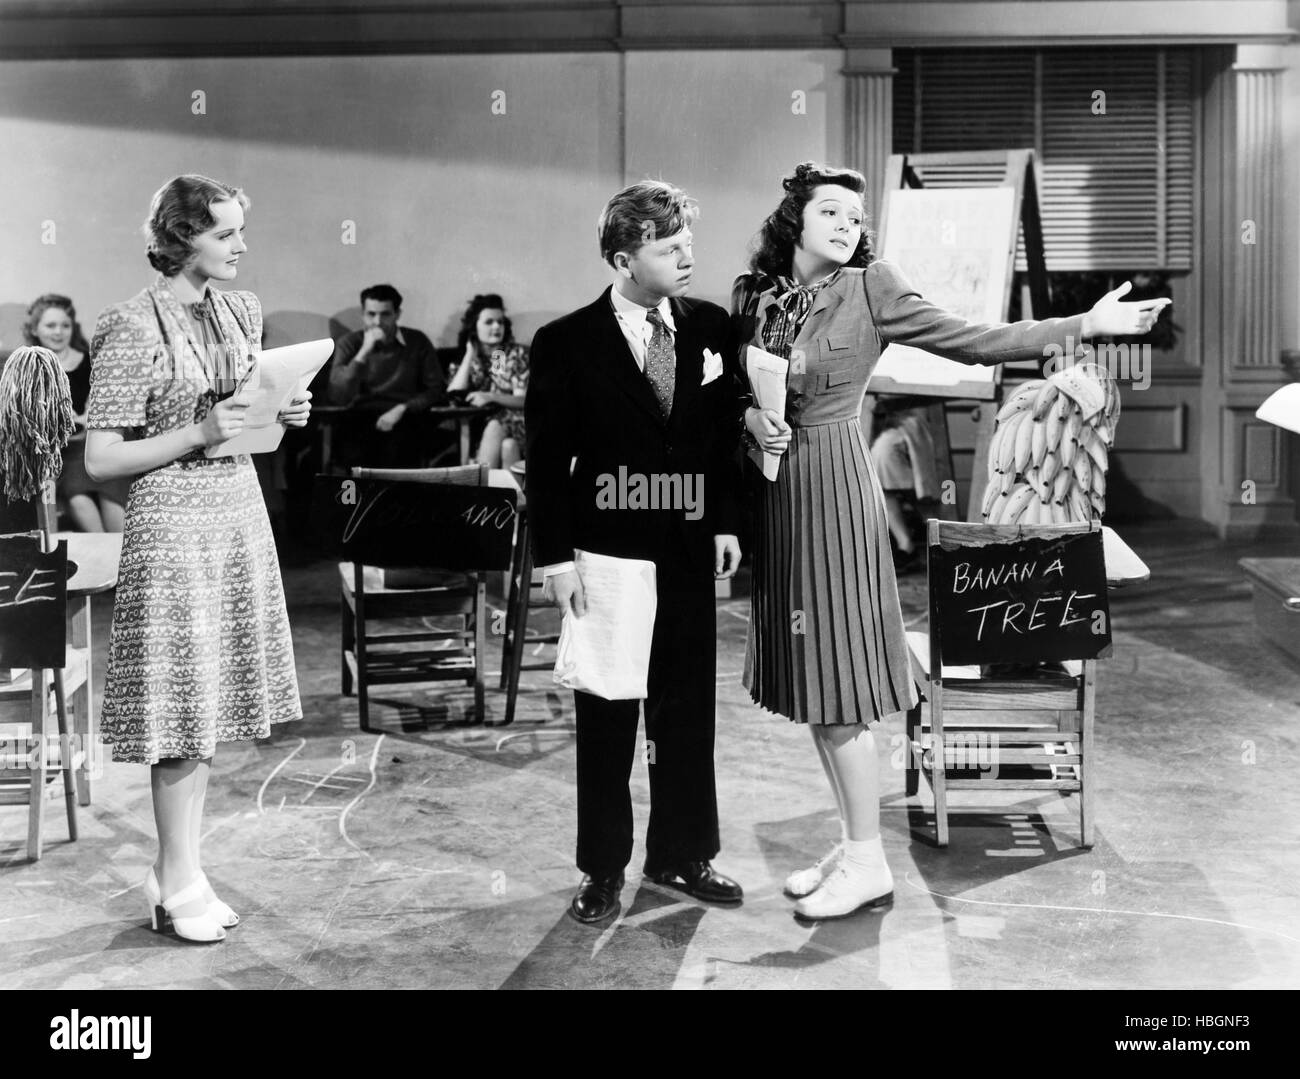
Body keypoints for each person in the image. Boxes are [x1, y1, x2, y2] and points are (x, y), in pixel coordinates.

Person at [734, 162, 1170, 920]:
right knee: (811, 681)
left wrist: (1083, 326)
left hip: (835, 484)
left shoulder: (872, 287)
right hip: (779, 493)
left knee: (839, 685)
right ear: (793, 221)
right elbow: (740, 387)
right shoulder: (758, 295)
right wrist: (749, 418)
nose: (845, 224)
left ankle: (869, 863)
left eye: (853, 215)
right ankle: (852, 839)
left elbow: (974, 341)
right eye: (829, 211)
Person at [85, 174, 311, 943]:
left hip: (236, 513)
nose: (241, 246)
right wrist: (199, 431)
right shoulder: (129, 325)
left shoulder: (241, 309)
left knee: (208, 703)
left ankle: (176, 870)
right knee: (178, 709)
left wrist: (284, 407)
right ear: (181, 237)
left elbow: (242, 413)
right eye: (225, 234)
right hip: (172, 524)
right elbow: (103, 458)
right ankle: (179, 874)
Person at [526, 180, 745, 924]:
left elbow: (718, 441)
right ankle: (601, 868)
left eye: (688, 241)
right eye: (667, 247)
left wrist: (724, 522)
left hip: (686, 545)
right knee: (609, 712)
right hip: (606, 552)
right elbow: (549, 462)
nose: (687, 256)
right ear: (623, 258)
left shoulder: (713, 327)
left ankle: (685, 852)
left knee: (686, 711)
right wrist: (555, 560)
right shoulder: (564, 343)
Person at [22, 294, 128, 531]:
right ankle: (101, 555)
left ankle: (116, 557)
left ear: (73, 327)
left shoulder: (92, 361)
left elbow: (110, 403)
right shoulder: (30, 367)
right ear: (35, 329)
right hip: (62, 452)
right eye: (50, 325)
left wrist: (93, 415)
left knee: (112, 496)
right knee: (79, 498)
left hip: (97, 443)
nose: (58, 332)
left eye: (65, 325)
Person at [326, 284, 446, 468]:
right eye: (371, 314)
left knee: (402, 447)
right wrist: (363, 353)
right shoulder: (349, 343)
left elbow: (436, 388)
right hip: (359, 416)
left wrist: (403, 408)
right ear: (363, 314)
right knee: (351, 448)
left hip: (404, 415)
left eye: (385, 314)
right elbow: (338, 395)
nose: (377, 322)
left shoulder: (417, 341)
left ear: (397, 314)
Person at [446, 293, 529, 467]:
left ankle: (480, 489)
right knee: (508, 447)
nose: (497, 327)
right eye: (489, 322)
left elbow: (524, 400)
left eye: (500, 321)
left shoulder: (514, 354)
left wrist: (491, 397)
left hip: (516, 422)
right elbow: (454, 395)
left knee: (496, 425)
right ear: (474, 327)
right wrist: (469, 355)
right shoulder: (467, 358)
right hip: (478, 427)